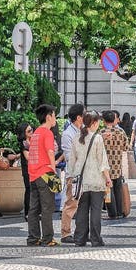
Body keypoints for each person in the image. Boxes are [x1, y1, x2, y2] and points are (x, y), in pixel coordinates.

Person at [67, 111, 112, 247]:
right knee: (95, 211)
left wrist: (71, 176)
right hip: (96, 180)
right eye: (98, 122)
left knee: (81, 210)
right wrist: (108, 178)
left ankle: (80, 238)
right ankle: (96, 239)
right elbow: (102, 161)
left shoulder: (77, 137)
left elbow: (72, 160)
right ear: (94, 123)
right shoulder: (97, 138)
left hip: (81, 181)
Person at [27, 103, 59, 247]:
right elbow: (50, 151)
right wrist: (53, 167)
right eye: (54, 116)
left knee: (33, 208)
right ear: (48, 117)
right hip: (45, 173)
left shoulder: (35, 133)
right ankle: (47, 238)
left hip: (33, 174)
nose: (55, 119)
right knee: (47, 207)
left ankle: (33, 238)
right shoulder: (47, 133)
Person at [60, 102, 85, 244]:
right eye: (84, 113)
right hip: (74, 175)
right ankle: (65, 233)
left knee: (83, 205)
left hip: (85, 174)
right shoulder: (67, 134)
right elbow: (70, 156)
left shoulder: (83, 131)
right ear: (78, 117)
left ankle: (81, 232)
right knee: (71, 203)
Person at [101, 110, 129, 220]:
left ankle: (112, 213)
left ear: (103, 120)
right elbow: (126, 147)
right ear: (114, 119)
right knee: (118, 189)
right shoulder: (121, 132)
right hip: (117, 165)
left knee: (108, 190)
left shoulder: (101, 133)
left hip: (106, 167)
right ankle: (119, 211)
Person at [16, 121, 33, 222]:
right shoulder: (24, 143)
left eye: (32, 129)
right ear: (24, 133)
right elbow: (28, 157)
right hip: (27, 169)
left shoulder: (31, 141)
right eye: (29, 131)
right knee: (29, 189)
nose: (32, 132)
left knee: (32, 190)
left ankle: (31, 212)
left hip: (33, 168)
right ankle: (27, 213)